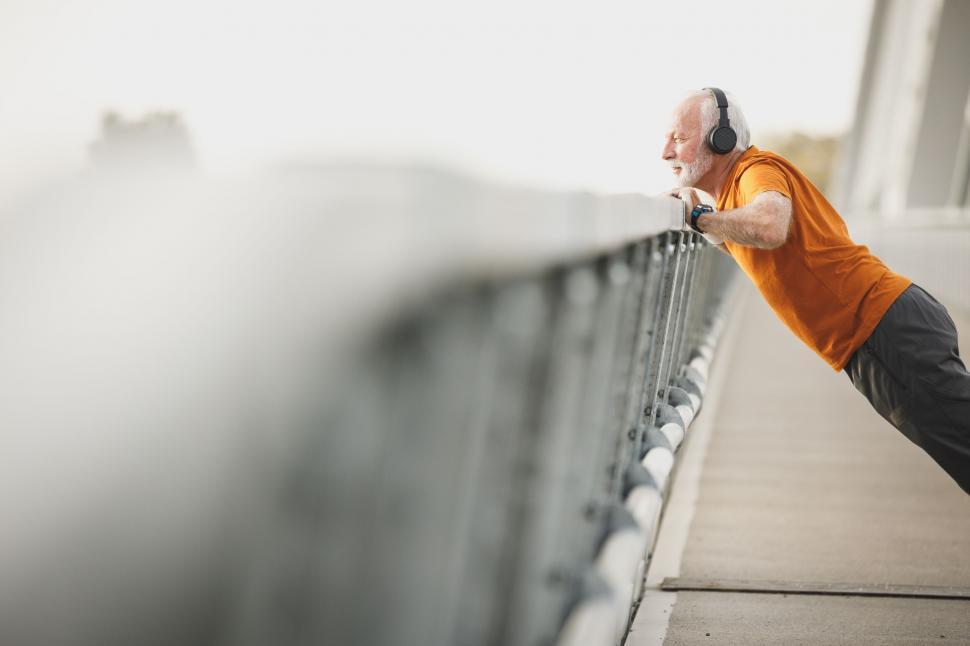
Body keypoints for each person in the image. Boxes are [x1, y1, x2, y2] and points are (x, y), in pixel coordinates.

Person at [663, 87, 970, 495]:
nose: (665, 151)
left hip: (885, 329)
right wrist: (700, 212)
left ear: (722, 140)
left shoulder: (757, 170)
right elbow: (734, 229)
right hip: (877, 335)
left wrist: (699, 217)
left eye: (679, 139)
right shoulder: (733, 195)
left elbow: (770, 227)